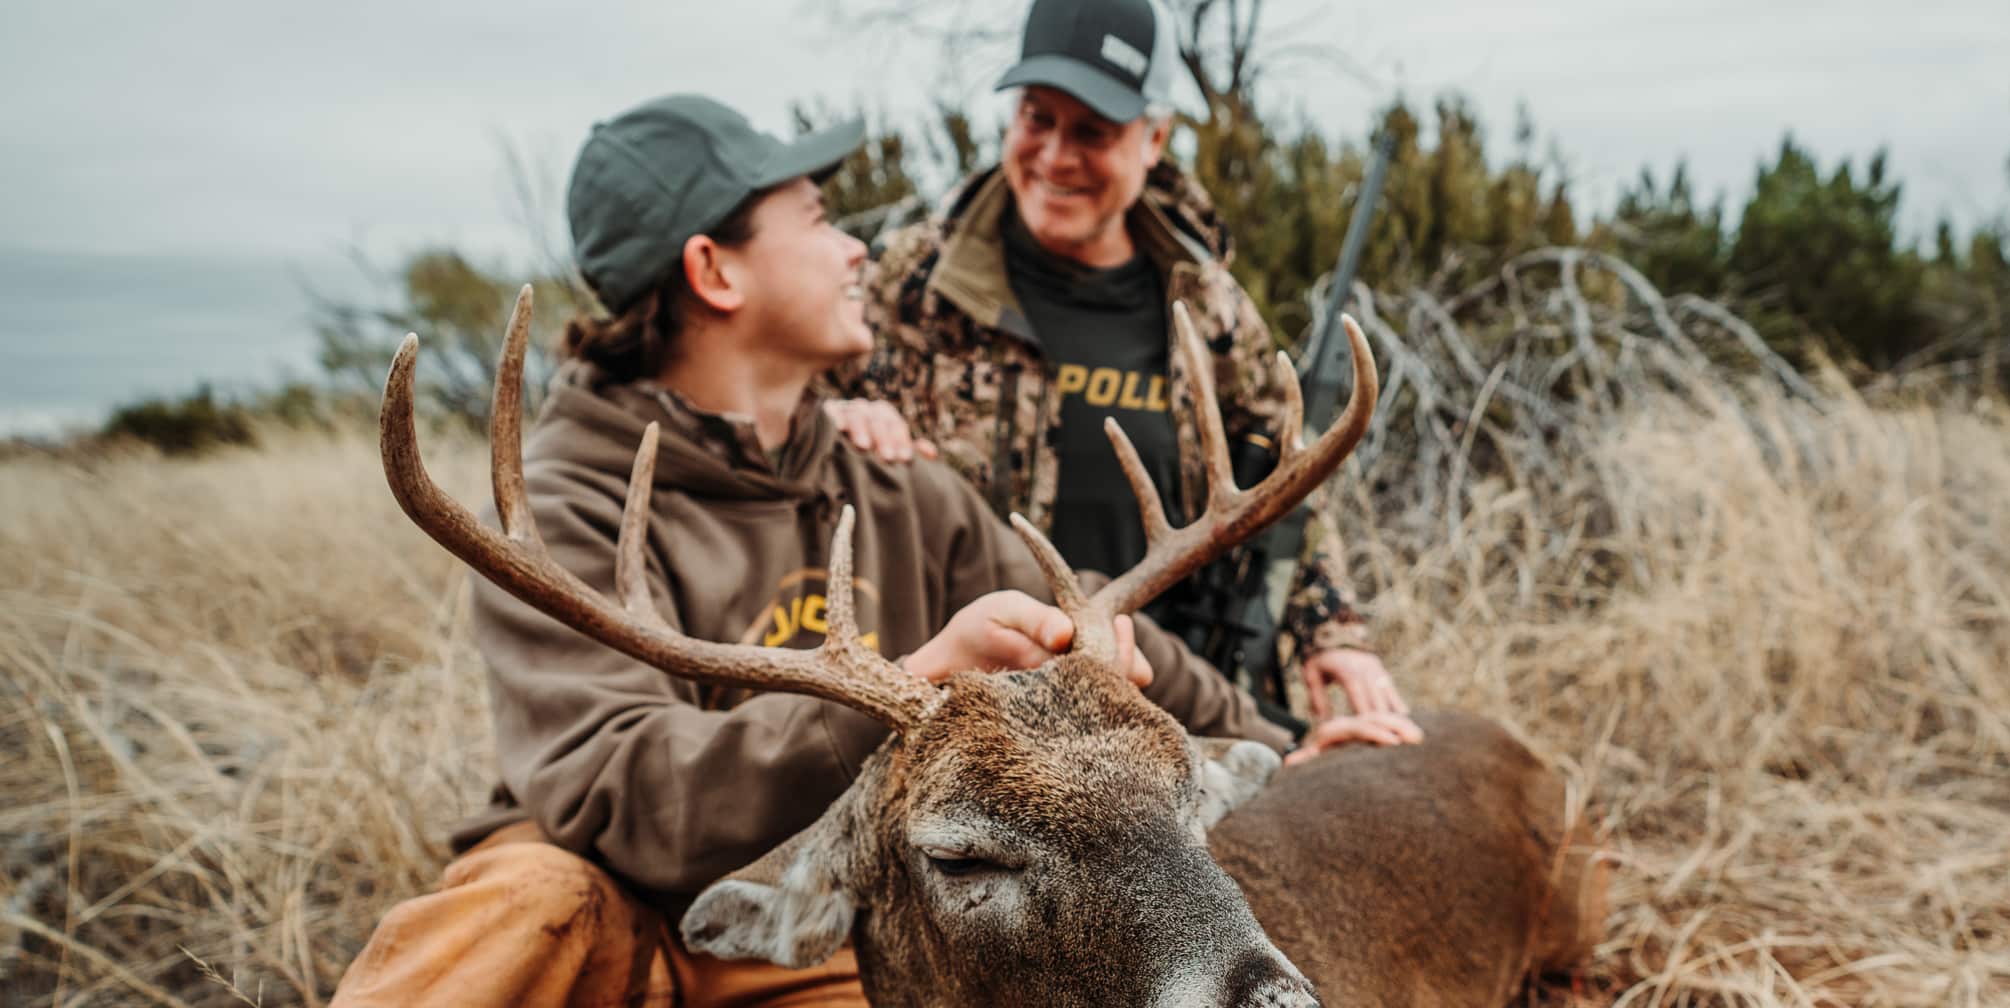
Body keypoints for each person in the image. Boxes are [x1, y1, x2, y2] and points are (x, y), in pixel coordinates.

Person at [327, 93, 1418, 1008]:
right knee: (512, 912)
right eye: (817, 218)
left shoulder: (893, 481)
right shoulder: (562, 500)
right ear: (715, 270)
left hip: (814, 921)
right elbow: (620, 789)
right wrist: (909, 684)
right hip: (604, 903)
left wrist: (1276, 735)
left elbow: (1082, 622)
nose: (858, 246)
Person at [828, 0, 1407, 727]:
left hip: (1159, 695)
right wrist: (838, 413)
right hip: (960, 707)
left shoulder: (1209, 308)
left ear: (1155, 137)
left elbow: (1282, 487)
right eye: (1037, 118)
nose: (1055, 156)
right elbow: (795, 429)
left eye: (1092, 132)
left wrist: (1332, 632)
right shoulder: (914, 279)